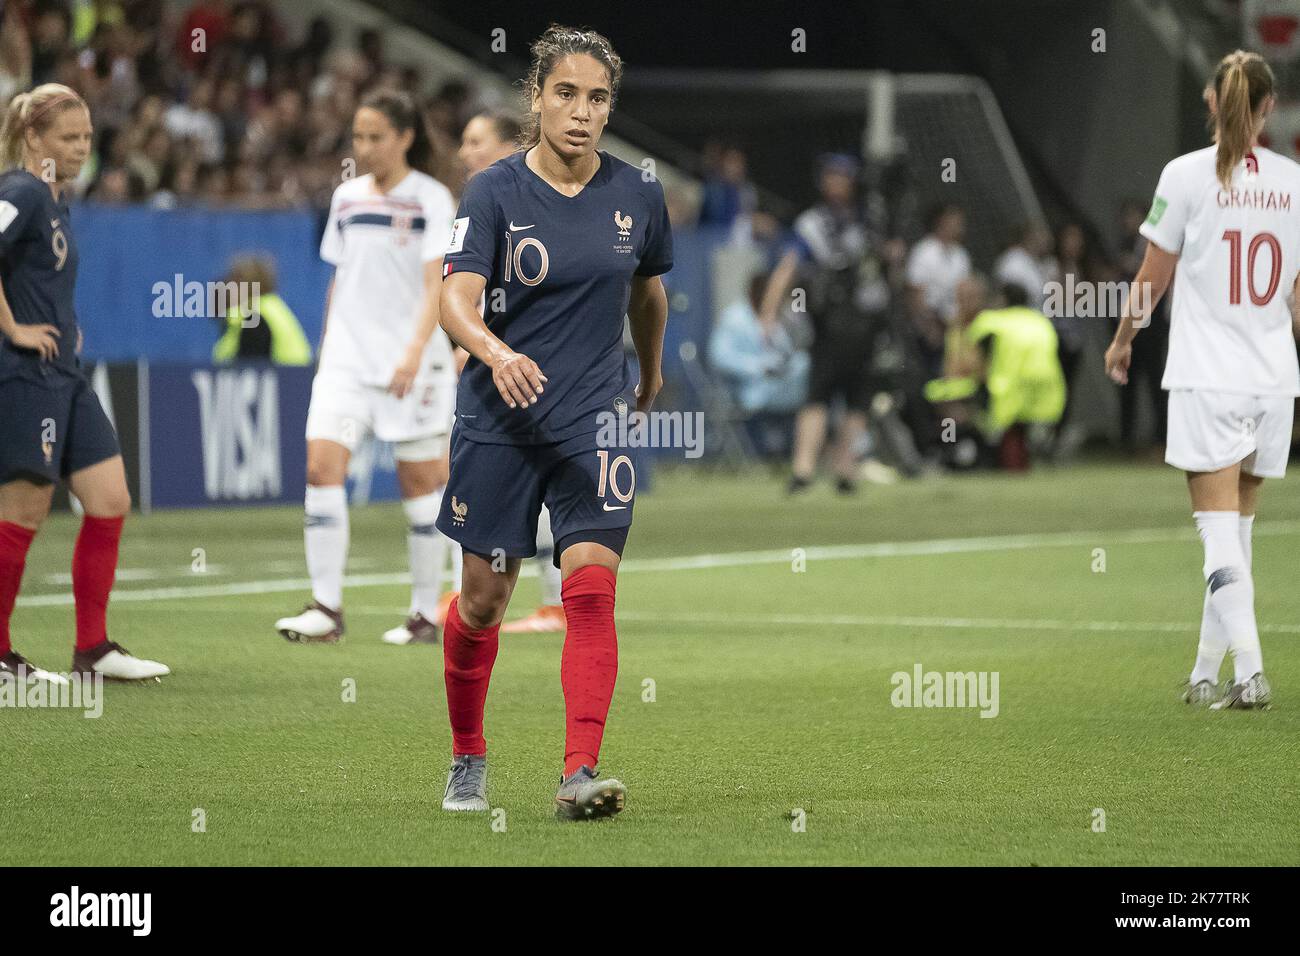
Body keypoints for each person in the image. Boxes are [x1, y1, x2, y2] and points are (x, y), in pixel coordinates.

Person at [435, 25, 671, 819]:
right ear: (535, 100)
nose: (581, 112)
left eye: (597, 97)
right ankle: (468, 754)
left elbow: (647, 291)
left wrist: (653, 366)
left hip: (594, 421)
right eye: (565, 94)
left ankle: (579, 772)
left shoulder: (638, 194)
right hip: (500, 423)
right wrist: (497, 353)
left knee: (592, 594)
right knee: (482, 603)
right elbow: (455, 302)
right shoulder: (493, 192)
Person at [1105, 50, 1298, 710]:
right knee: (1238, 530)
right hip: (1273, 379)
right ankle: (1203, 671)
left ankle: (1250, 672)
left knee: (1217, 532)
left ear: (1214, 102)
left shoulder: (1186, 175)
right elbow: (1298, 297)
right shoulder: (1294, 181)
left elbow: (1150, 281)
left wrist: (1123, 339)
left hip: (1209, 377)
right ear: (1269, 107)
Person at [272, 89, 459, 647]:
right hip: (347, 363)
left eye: (377, 136)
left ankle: (426, 613)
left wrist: (413, 351)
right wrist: (328, 348)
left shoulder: (433, 198)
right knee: (320, 470)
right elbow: (341, 278)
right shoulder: (348, 197)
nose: (366, 146)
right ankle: (326, 608)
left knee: (422, 488)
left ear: (405, 138)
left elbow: (438, 285)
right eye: (359, 136)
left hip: (411, 363)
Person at [0, 83, 169, 682]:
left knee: (110, 499)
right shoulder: (19, 190)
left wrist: (65, 323)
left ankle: (92, 649)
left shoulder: (54, 201)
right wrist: (15, 327)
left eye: (87, 137)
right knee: (25, 508)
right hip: (28, 375)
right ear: (33, 138)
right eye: (68, 138)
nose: (81, 148)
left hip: (65, 374)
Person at [449, 107, 567, 635]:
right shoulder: (483, 201)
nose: (464, 152)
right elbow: (461, 289)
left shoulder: (537, 197)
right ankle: (487, 597)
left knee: (546, 481)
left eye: (476, 141)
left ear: (504, 145)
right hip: (488, 365)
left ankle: (557, 602)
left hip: (540, 370)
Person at [760, 153, 890, 494]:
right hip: (830, 322)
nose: (837, 185)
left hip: (866, 320)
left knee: (858, 398)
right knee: (818, 393)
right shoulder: (813, 223)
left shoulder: (869, 221)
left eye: (843, 178)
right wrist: (769, 312)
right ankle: (803, 470)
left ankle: (845, 468)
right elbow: (789, 266)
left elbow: (886, 263)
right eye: (831, 177)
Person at [906, 202, 971, 378]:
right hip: (931, 323)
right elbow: (915, 293)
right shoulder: (925, 251)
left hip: (953, 324)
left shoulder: (960, 255)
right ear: (942, 222)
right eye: (956, 222)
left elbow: (965, 291)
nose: (960, 227)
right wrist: (928, 328)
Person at [211, 255, 312, 365]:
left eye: (233, 282)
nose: (226, 288)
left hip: (286, 380)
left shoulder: (255, 318)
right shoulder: (271, 307)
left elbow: (251, 369)